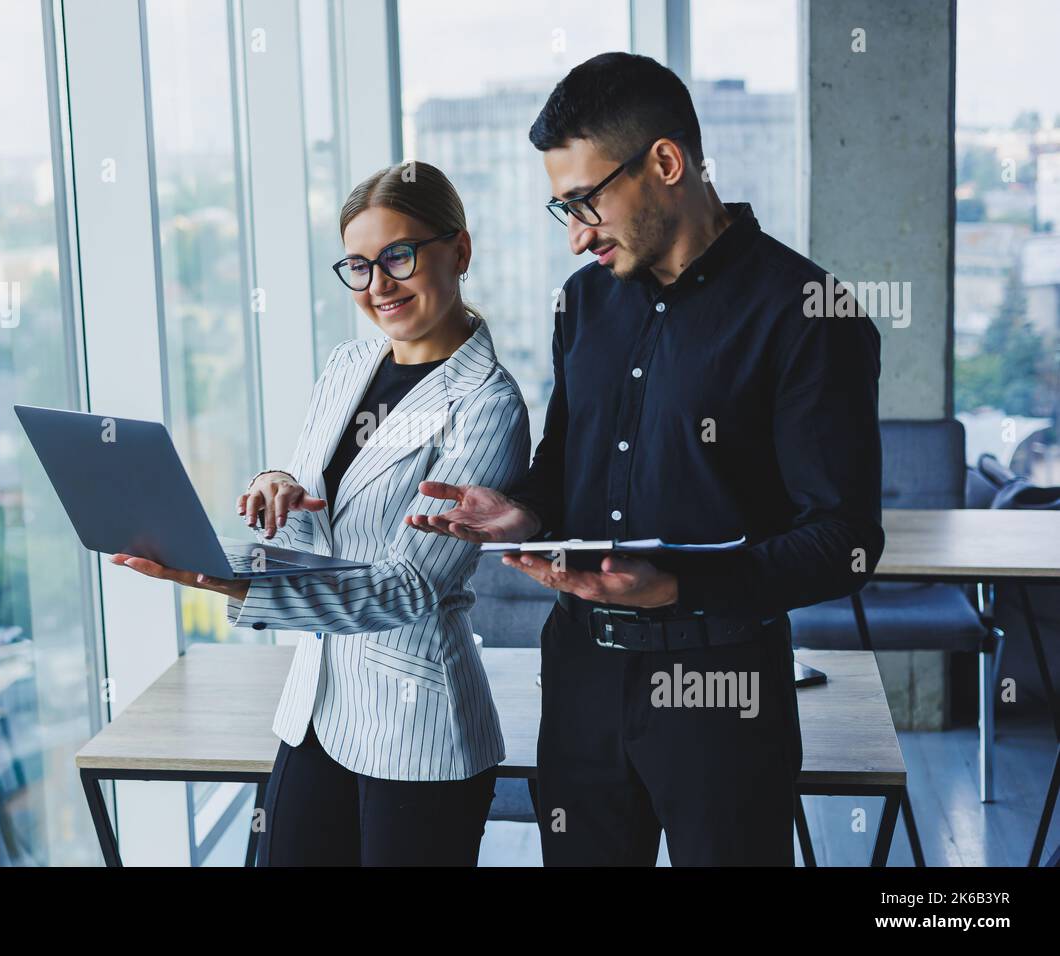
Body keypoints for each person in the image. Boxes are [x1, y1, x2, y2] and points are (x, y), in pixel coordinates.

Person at [406, 52, 883, 866]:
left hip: (723, 693)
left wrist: (682, 586)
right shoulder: (584, 303)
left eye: (586, 202)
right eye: (563, 211)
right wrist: (524, 511)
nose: (578, 235)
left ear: (666, 162)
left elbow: (846, 540)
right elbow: (564, 467)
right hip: (581, 677)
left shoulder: (809, 313)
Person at [114, 161, 530, 866]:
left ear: (459, 251)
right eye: (359, 266)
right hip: (316, 710)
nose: (378, 286)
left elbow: (408, 589)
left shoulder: (487, 404)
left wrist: (226, 582)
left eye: (398, 256)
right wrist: (275, 481)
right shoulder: (347, 366)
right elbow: (315, 519)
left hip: (416, 726)